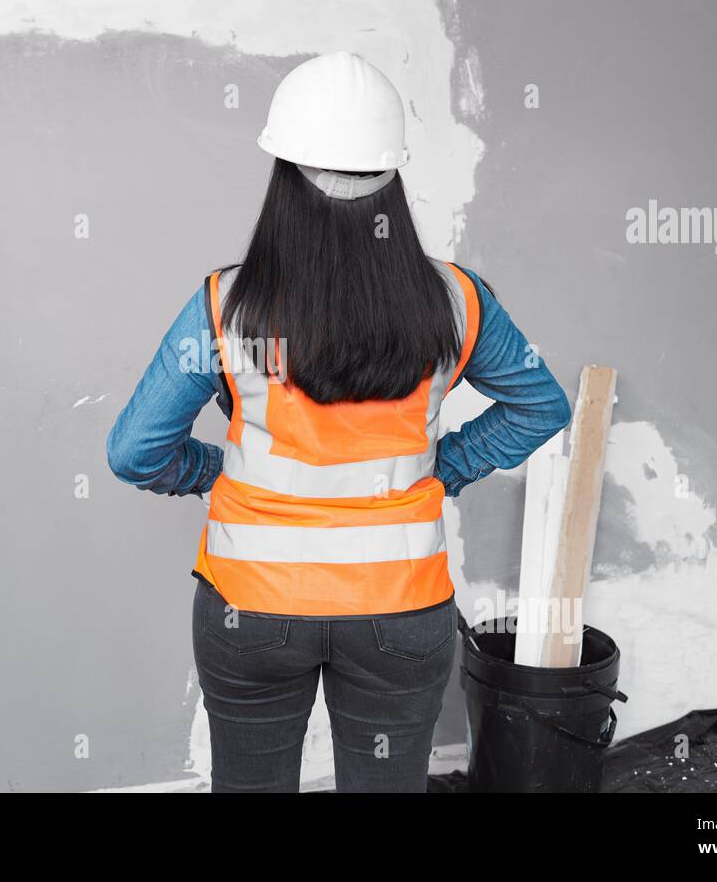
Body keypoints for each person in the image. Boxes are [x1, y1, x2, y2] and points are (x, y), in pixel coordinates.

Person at [108, 52, 571, 792]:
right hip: (399, 612)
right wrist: (445, 465)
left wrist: (214, 471)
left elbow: (134, 451)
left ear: (283, 174)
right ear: (394, 174)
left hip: (251, 611)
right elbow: (541, 405)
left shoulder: (225, 309)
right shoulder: (455, 299)